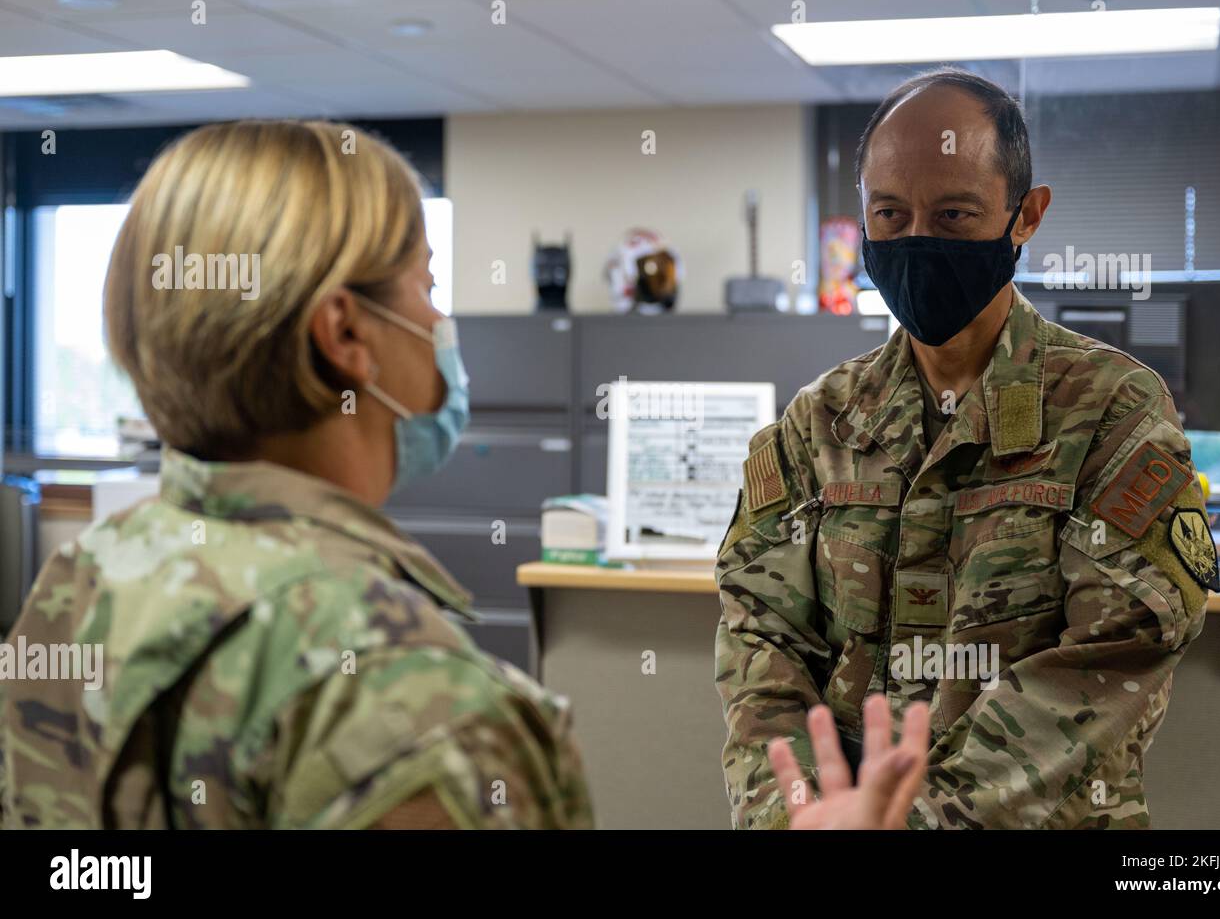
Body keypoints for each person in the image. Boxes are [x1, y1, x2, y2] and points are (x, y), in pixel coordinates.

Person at [0, 119, 923, 830]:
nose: (443, 324)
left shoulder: (82, 578)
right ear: (346, 336)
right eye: (427, 289)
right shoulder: (410, 697)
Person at [715, 70, 1217, 830]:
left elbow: (1112, 656)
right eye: (890, 214)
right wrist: (795, 813)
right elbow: (762, 638)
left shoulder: (1111, 410)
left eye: (954, 215)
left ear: (1026, 216)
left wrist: (911, 822)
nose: (919, 240)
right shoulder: (819, 422)